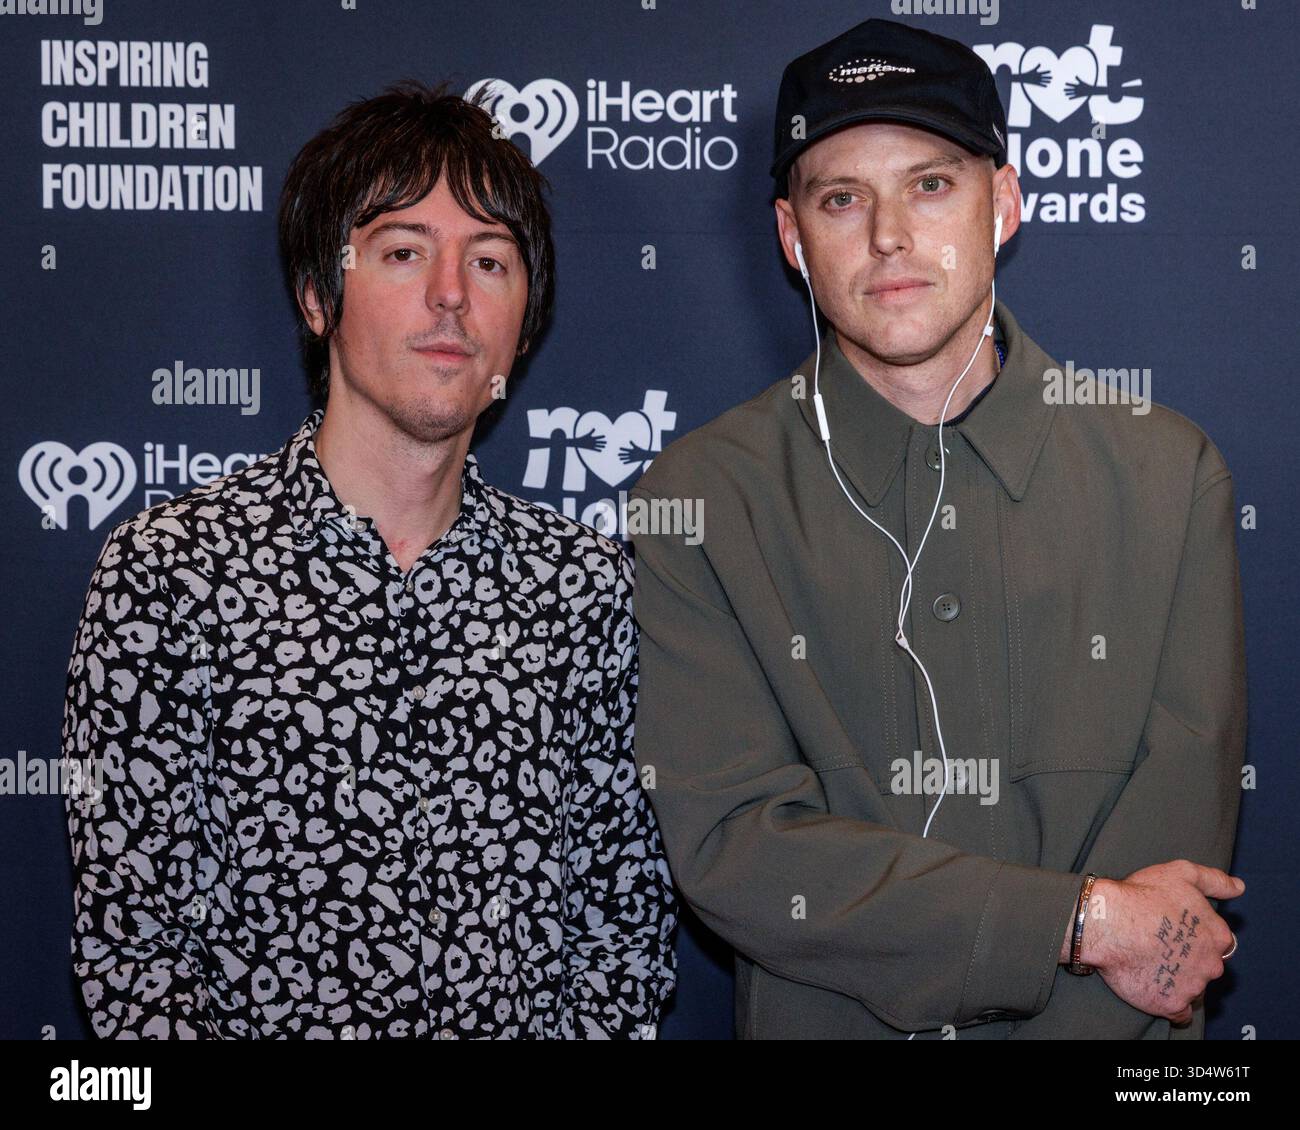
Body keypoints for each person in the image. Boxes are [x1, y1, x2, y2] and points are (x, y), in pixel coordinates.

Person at [629, 18, 1245, 1040]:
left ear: (1002, 205)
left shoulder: (1167, 474)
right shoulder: (699, 497)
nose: (887, 235)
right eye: (841, 198)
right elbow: (738, 852)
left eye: (928, 185)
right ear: (791, 237)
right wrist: (1074, 921)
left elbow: (1170, 886)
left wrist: (1109, 931)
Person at [62, 80, 676, 1039]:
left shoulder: (587, 589)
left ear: (523, 326)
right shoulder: (171, 574)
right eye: (403, 252)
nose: (451, 294)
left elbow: (623, 935)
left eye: (490, 260)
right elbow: (134, 951)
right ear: (319, 297)